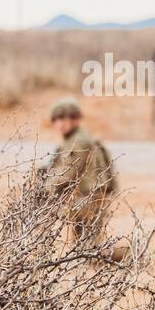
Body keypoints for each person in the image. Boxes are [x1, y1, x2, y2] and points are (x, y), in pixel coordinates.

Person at [41, 98, 119, 247]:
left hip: (88, 198)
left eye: (67, 118)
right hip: (87, 197)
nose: (60, 123)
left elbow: (68, 173)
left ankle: (129, 254)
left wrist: (44, 189)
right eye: (57, 119)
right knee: (83, 247)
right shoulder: (74, 139)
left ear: (76, 120)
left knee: (87, 249)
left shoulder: (79, 141)